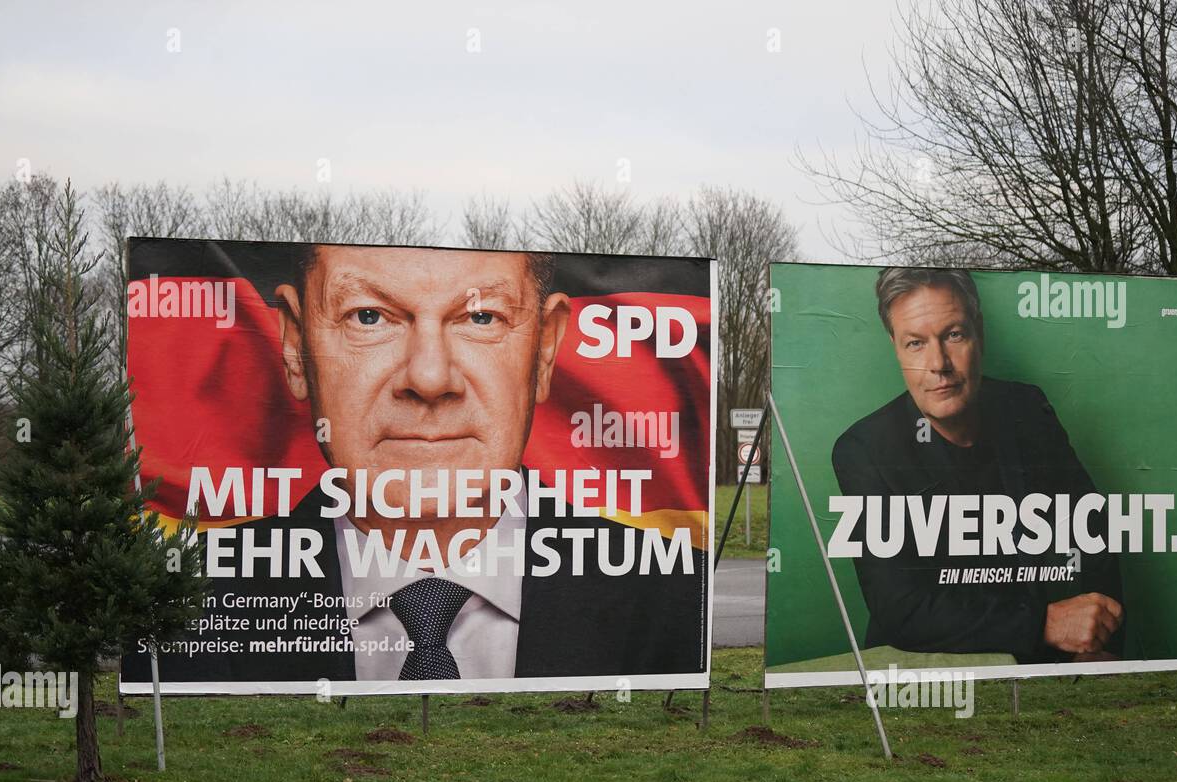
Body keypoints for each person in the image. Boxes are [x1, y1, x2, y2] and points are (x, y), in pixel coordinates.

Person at [130, 243, 706, 685]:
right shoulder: (179, 604)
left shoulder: (668, 598)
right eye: (369, 317)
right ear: (295, 347)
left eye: (482, 319)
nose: (429, 379)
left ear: (545, 351)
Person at [831, 267, 1124, 664]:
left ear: (979, 332)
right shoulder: (862, 449)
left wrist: (1095, 635)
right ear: (895, 348)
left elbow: (1093, 534)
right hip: (925, 670)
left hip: (1045, 664)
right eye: (915, 343)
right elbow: (902, 608)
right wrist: (1044, 624)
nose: (939, 364)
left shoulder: (1026, 409)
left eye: (953, 335)